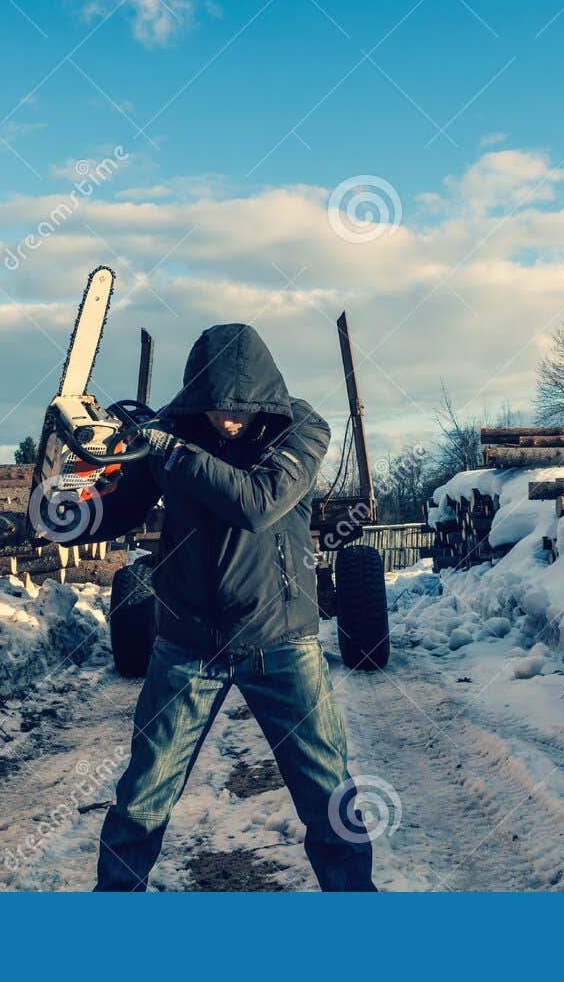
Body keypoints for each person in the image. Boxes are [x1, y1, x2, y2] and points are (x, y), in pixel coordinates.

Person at [83, 323, 376, 891]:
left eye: (239, 408)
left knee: (327, 798)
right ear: (198, 396)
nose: (229, 420)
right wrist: (70, 503)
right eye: (217, 408)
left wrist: (171, 449)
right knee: (142, 798)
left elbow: (257, 503)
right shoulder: (172, 428)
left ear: (263, 396)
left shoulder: (301, 429)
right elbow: (122, 511)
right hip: (188, 643)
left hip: (281, 640)